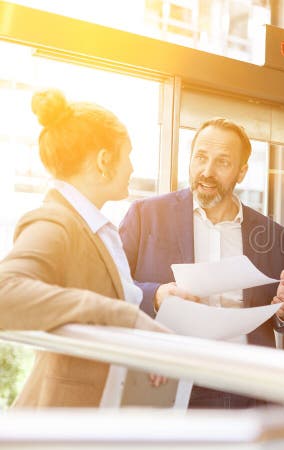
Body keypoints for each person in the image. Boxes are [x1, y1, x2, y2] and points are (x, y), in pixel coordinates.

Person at [0, 88, 169, 408]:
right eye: (128, 154)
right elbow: (4, 293)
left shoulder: (94, 227)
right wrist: (125, 318)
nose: (132, 167)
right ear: (105, 161)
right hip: (60, 427)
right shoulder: (56, 223)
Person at [119, 117, 284, 408]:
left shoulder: (271, 234)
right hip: (168, 378)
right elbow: (112, 286)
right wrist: (156, 295)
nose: (207, 171)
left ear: (242, 172)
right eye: (201, 158)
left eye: (222, 162)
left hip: (247, 387)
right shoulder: (145, 215)